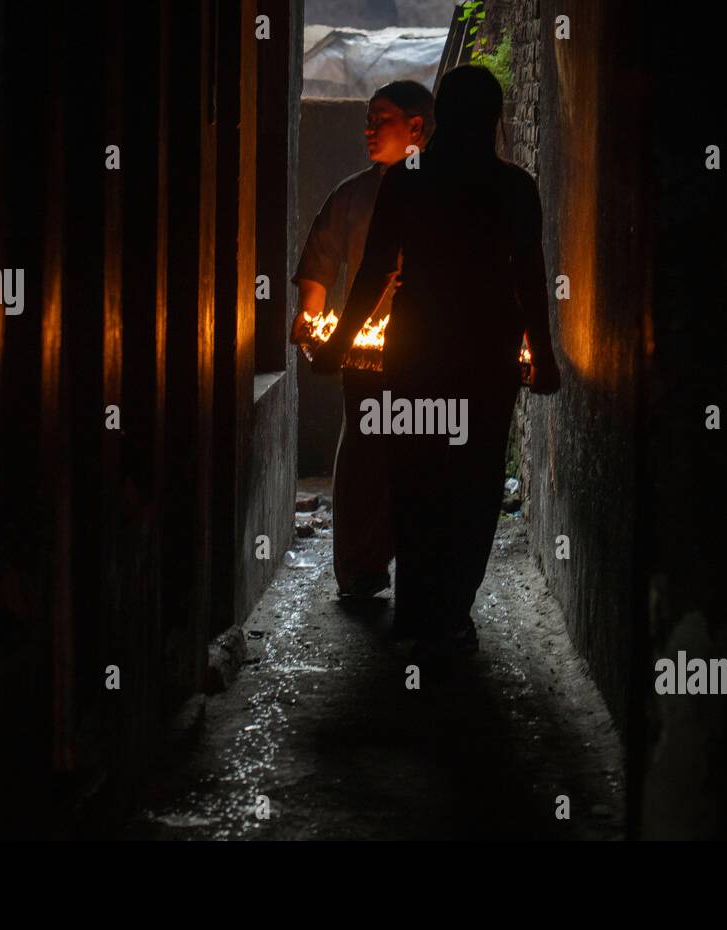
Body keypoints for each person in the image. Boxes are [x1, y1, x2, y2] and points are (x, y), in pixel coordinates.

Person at [311, 65, 561, 659]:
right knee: (471, 487)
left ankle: (419, 612)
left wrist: (339, 342)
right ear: (494, 119)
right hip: (483, 358)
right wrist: (543, 359)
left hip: (416, 354)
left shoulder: (407, 182)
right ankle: (450, 613)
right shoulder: (513, 188)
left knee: (416, 480)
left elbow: (374, 271)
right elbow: (528, 281)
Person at [291, 81, 435, 599]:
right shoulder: (353, 195)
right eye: (368, 119)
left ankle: (414, 576)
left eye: (382, 118)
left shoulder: (444, 191)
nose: (368, 129)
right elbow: (319, 270)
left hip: (426, 357)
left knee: (416, 460)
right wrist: (315, 326)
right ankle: (360, 568)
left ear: (417, 126)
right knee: (364, 460)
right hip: (367, 355)